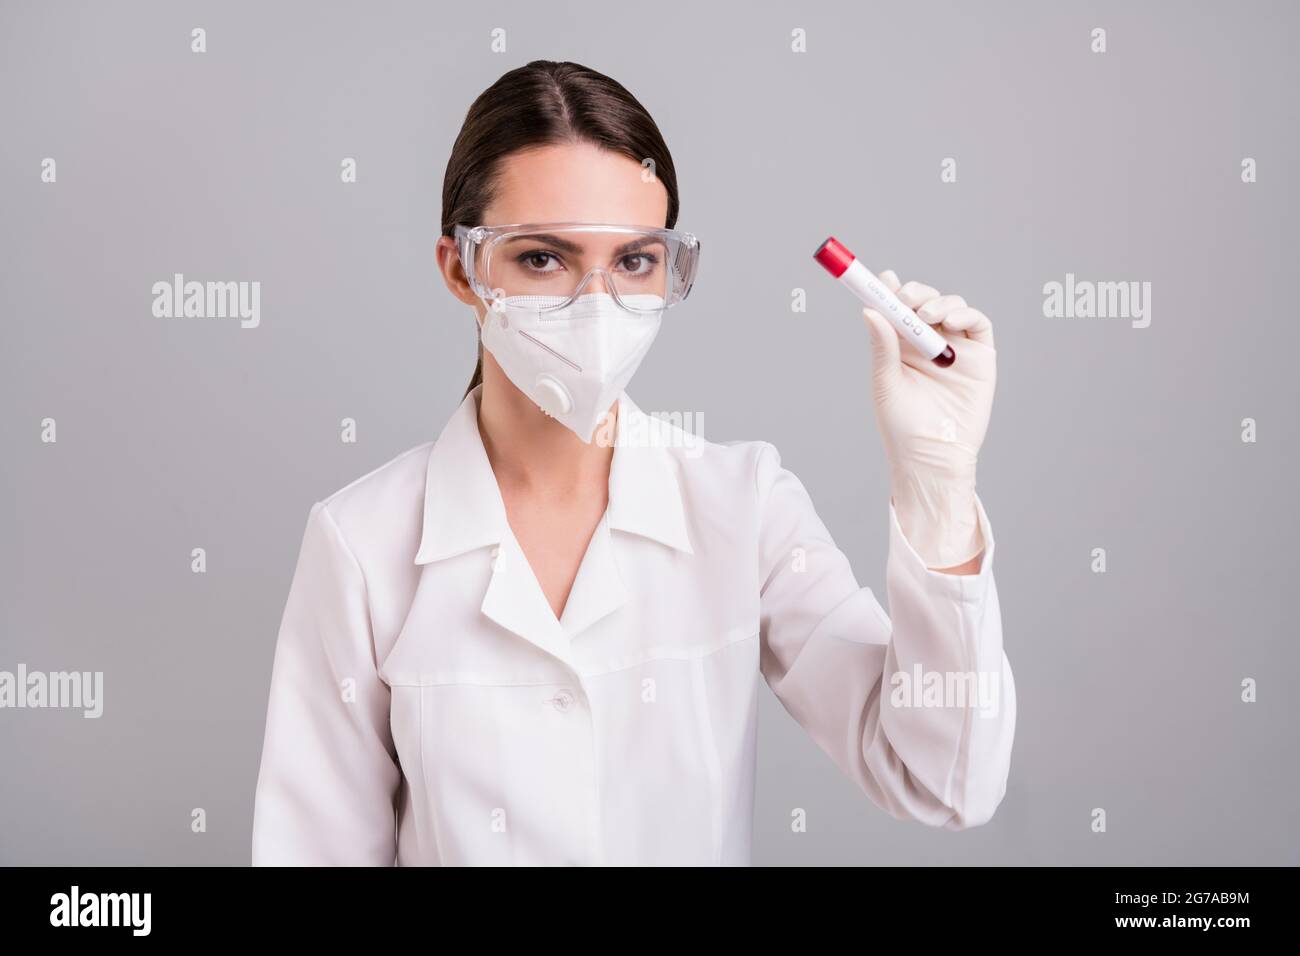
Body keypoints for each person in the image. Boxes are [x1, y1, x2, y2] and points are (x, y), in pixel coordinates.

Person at [250, 59, 1014, 866]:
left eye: (635, 262)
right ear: (461, 270)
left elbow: (942, 780)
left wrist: (938, 483)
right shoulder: (361, 544)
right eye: (543, 259)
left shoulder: (743, 506)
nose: (596, 304)